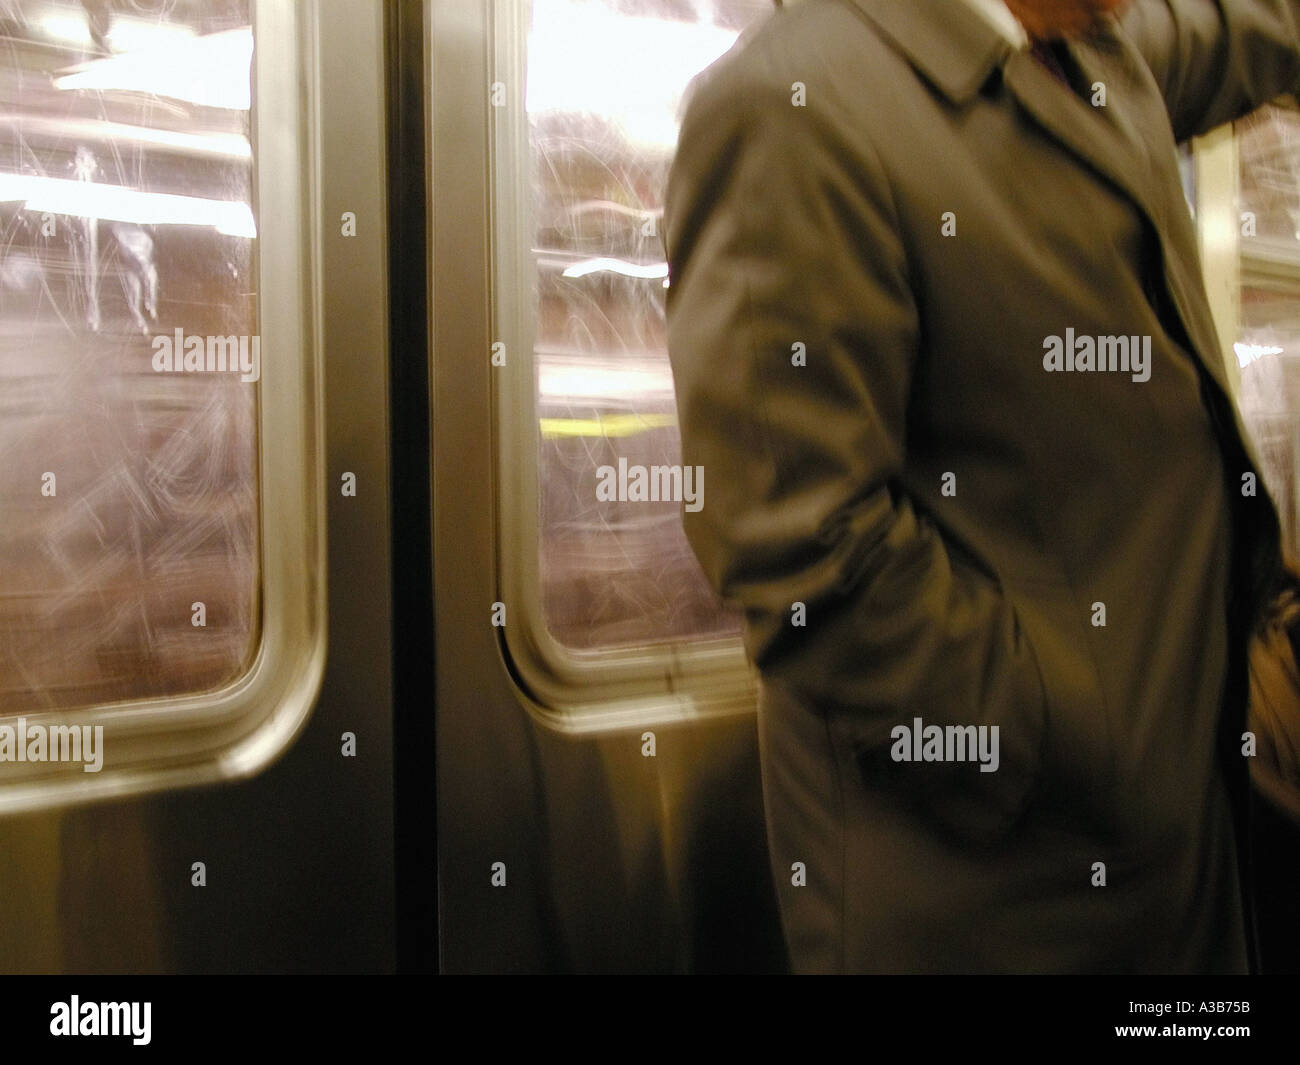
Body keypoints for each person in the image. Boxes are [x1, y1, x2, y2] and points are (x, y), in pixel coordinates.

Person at [663, 0, 1295, 973]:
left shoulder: (1086, 53)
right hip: (1004, 900)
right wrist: (1068, 739)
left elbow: (1230, 30)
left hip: (1179, 866)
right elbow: (800, 555)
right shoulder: (795, 106)